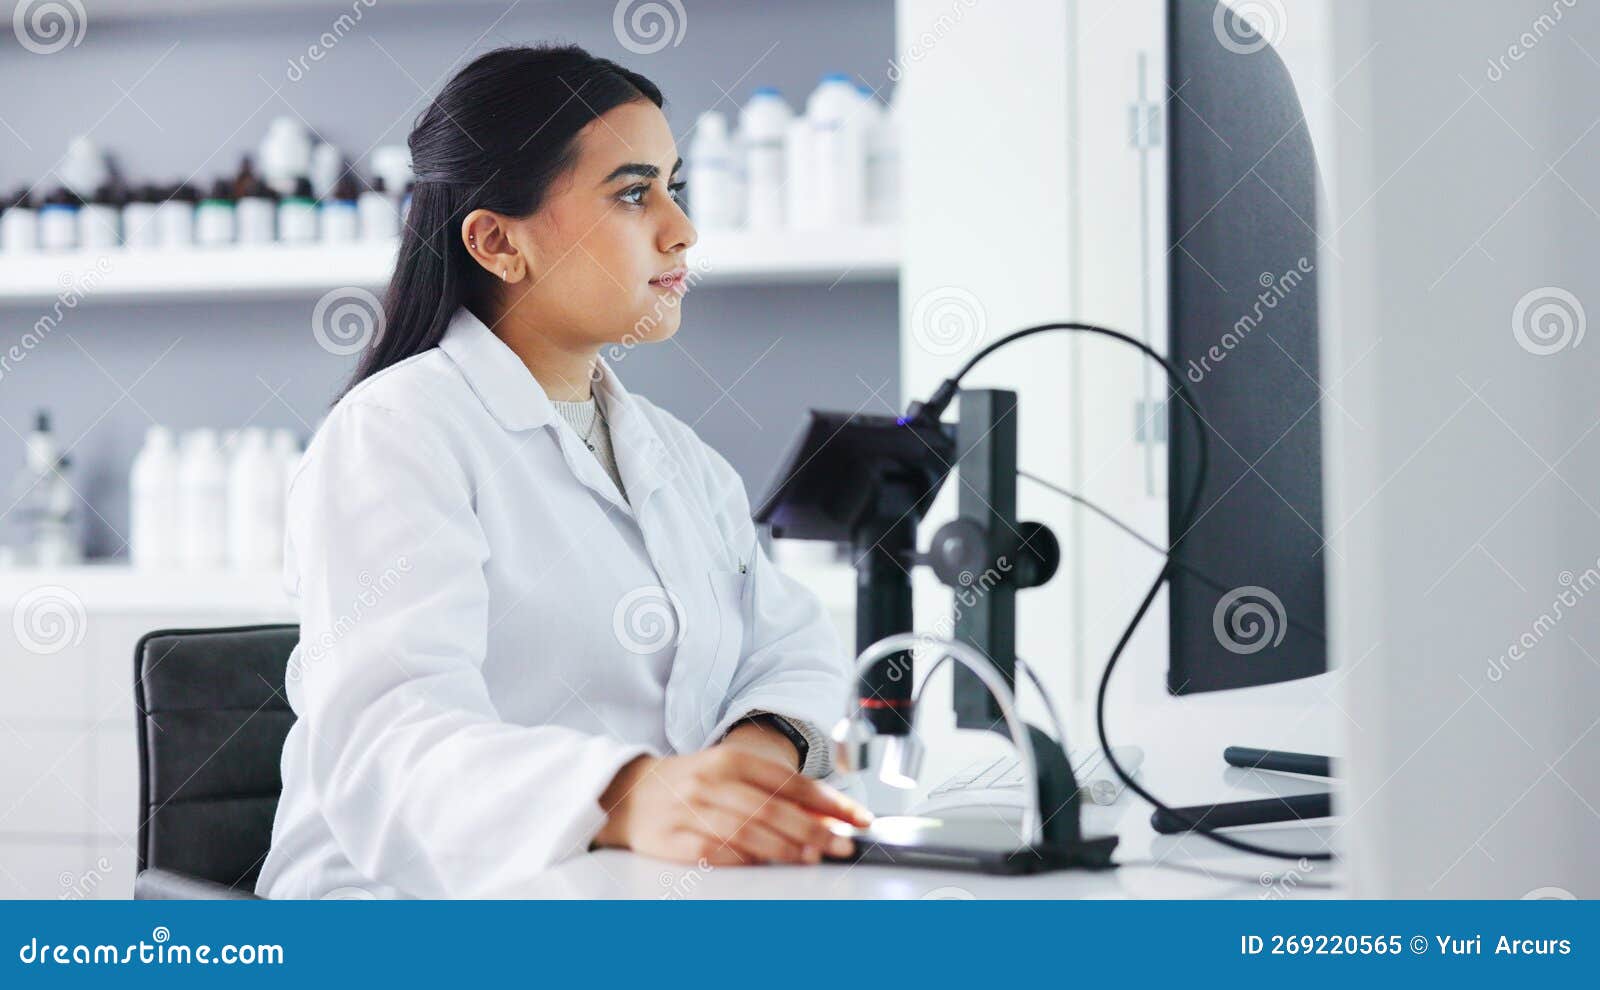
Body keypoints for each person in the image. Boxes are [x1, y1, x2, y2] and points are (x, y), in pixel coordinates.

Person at [255, 44, 871, 900]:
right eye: (633, 194)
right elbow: (389, 743)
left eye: (674, 187)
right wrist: (628, 796)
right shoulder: (395, 434)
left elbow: (788, 646)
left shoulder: (679, 458)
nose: (682, 229)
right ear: (498, 242)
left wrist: (748, 764)